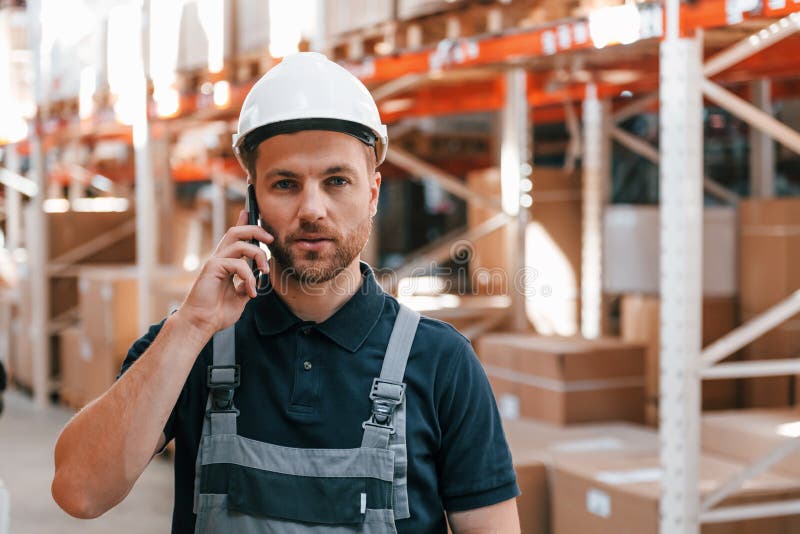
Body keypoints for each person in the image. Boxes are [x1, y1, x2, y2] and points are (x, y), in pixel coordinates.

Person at [52, 52, 520, 533]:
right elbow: (79, 490)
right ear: (253, 200)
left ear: (373, 193)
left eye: (337, 181)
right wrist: (191, 326)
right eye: (285, 184)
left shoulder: (443, 363)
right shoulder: (192, 347)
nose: (312, 209)